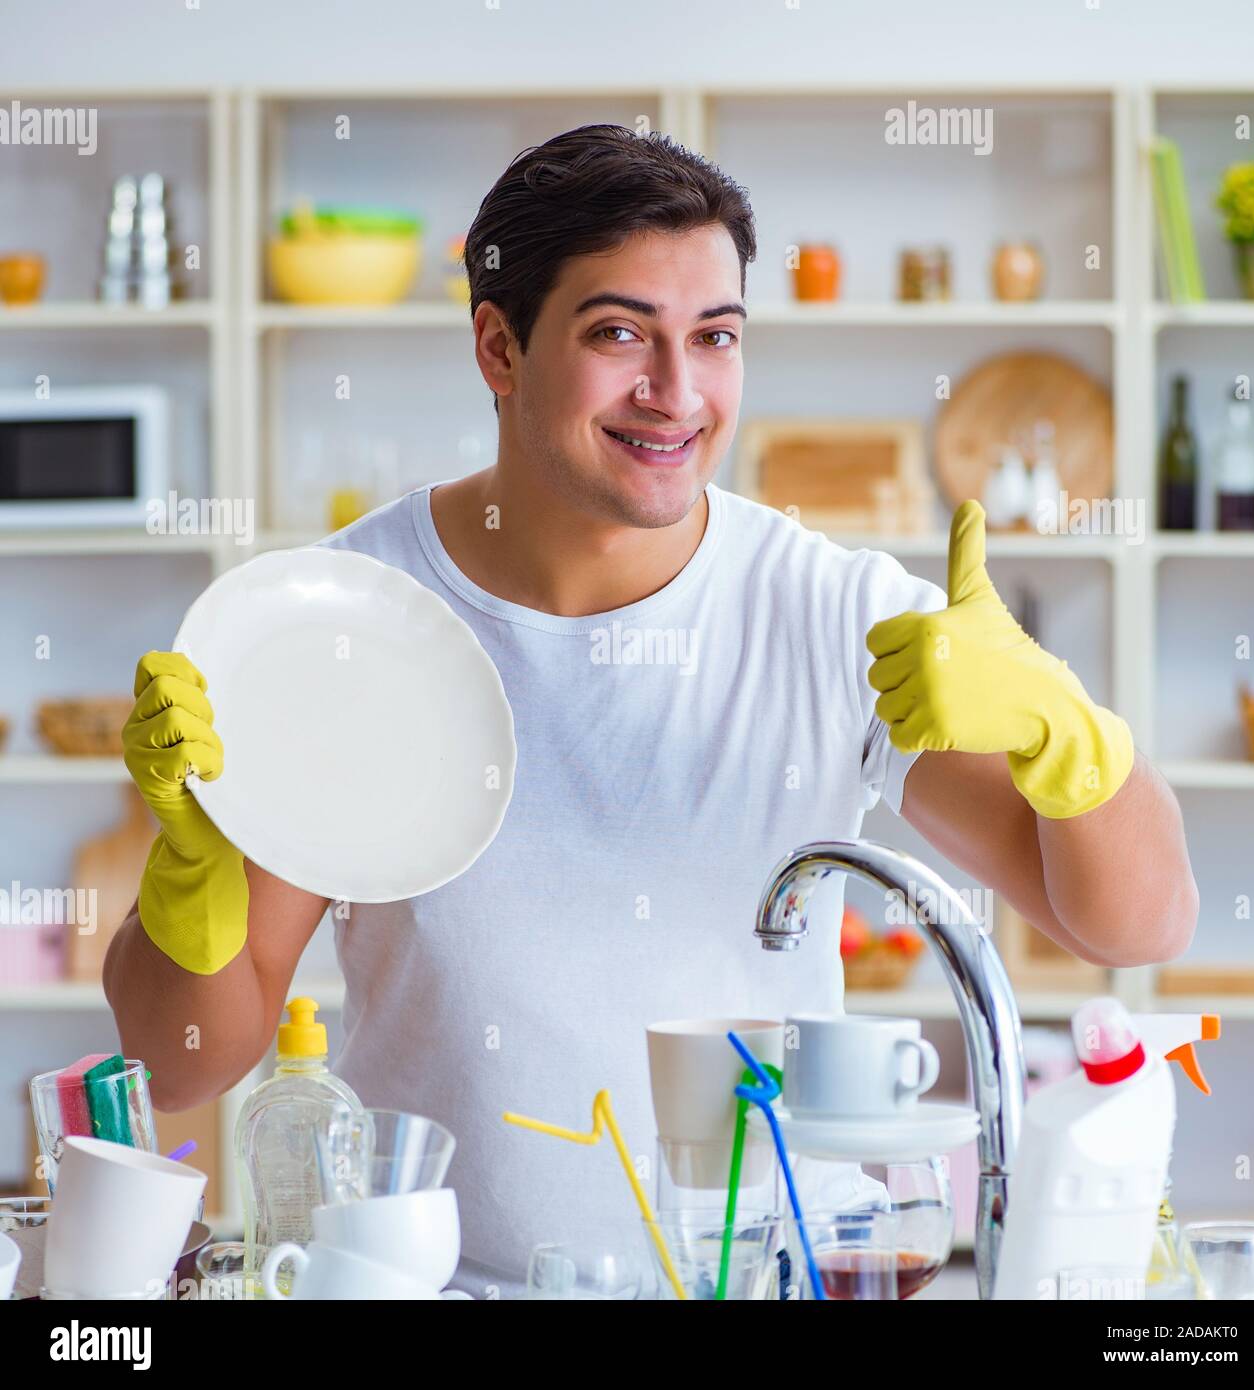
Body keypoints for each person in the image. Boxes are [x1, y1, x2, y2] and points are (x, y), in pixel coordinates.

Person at [106, 124, 1197, 1299]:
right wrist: (196, 856)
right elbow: (179, 1069)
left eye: (715, 337)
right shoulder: (348, 625)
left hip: (774, 1279)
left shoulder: (828, 612)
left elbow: (1135, 925)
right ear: (498, 347)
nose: (676, 393)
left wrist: (1064, 732)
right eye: (619, 332)